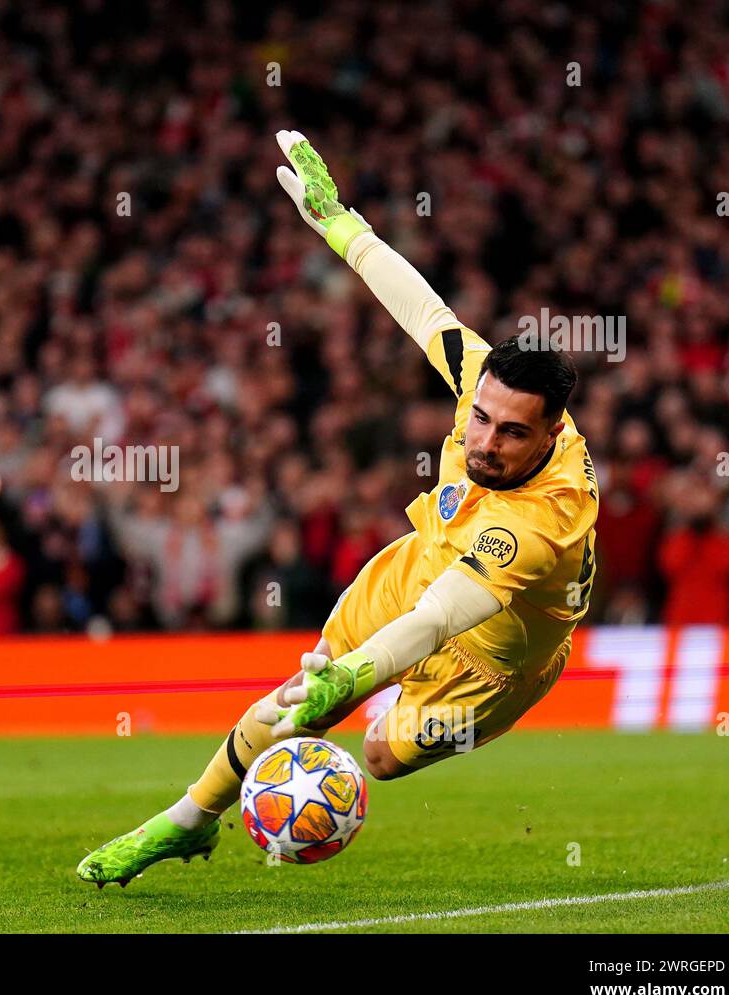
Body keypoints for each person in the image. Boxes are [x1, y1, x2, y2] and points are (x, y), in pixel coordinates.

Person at [77, 132, 598, 887]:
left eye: (511, 432)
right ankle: (185, 823)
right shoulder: (486, 382)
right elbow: (424, 311)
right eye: (480, 417)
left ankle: (354, 725)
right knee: (302, 703)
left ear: (553, 432)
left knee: (381, 756)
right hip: (419, 568)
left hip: (493, 661)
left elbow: (441, 621)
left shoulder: (543, 524)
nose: (484, 439)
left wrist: (354, 677)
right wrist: (342, 225)